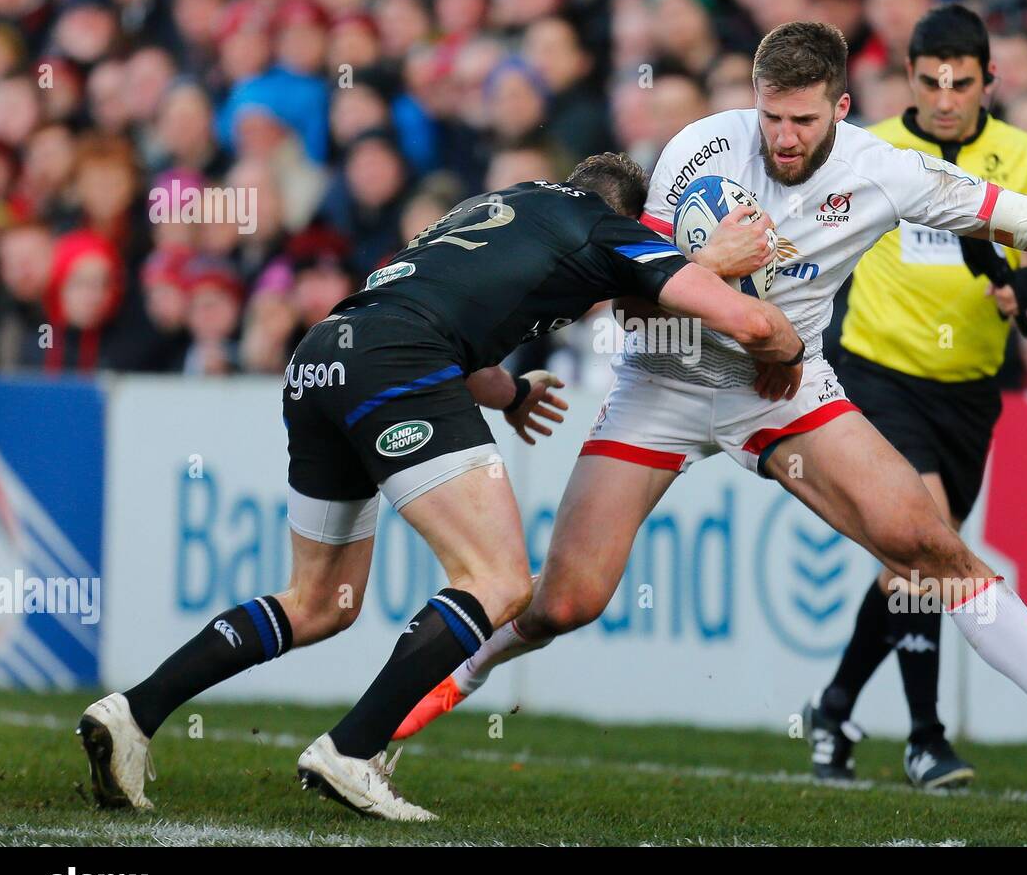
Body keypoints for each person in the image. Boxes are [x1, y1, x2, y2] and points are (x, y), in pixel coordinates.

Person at [396, 22, 1027, 793]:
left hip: (784, 395)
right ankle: (447, 681)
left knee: (929, 545)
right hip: (663, 387)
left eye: (802, 119)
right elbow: (629, 305)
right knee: (569, 601)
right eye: (771, 116)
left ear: (841, 108)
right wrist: (713, 271)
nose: (783, 137)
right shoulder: (700, 150)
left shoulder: (882, 169)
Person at [75, 153, 806, 821]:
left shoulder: (496, 206)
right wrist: (781, 336)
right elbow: (743, 319)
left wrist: (511, 392)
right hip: (398, 364)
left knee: (320, 601)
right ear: (627, 216)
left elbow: (448, 322)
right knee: (498, 579)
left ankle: (132, 714)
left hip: (324, 356)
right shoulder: (609, 233)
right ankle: (352, 749)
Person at [805, 4, 1027, 790]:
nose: (946, 97)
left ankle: (834, 707)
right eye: (931, 81)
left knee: (913, 563)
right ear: (910, 79)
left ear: (989, 80)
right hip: (876, 375)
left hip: (970, 391)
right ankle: (927, 738)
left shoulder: (1021, 155)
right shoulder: (872, 151)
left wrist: (1020, 279)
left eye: (962, 82)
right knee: (924, 540)